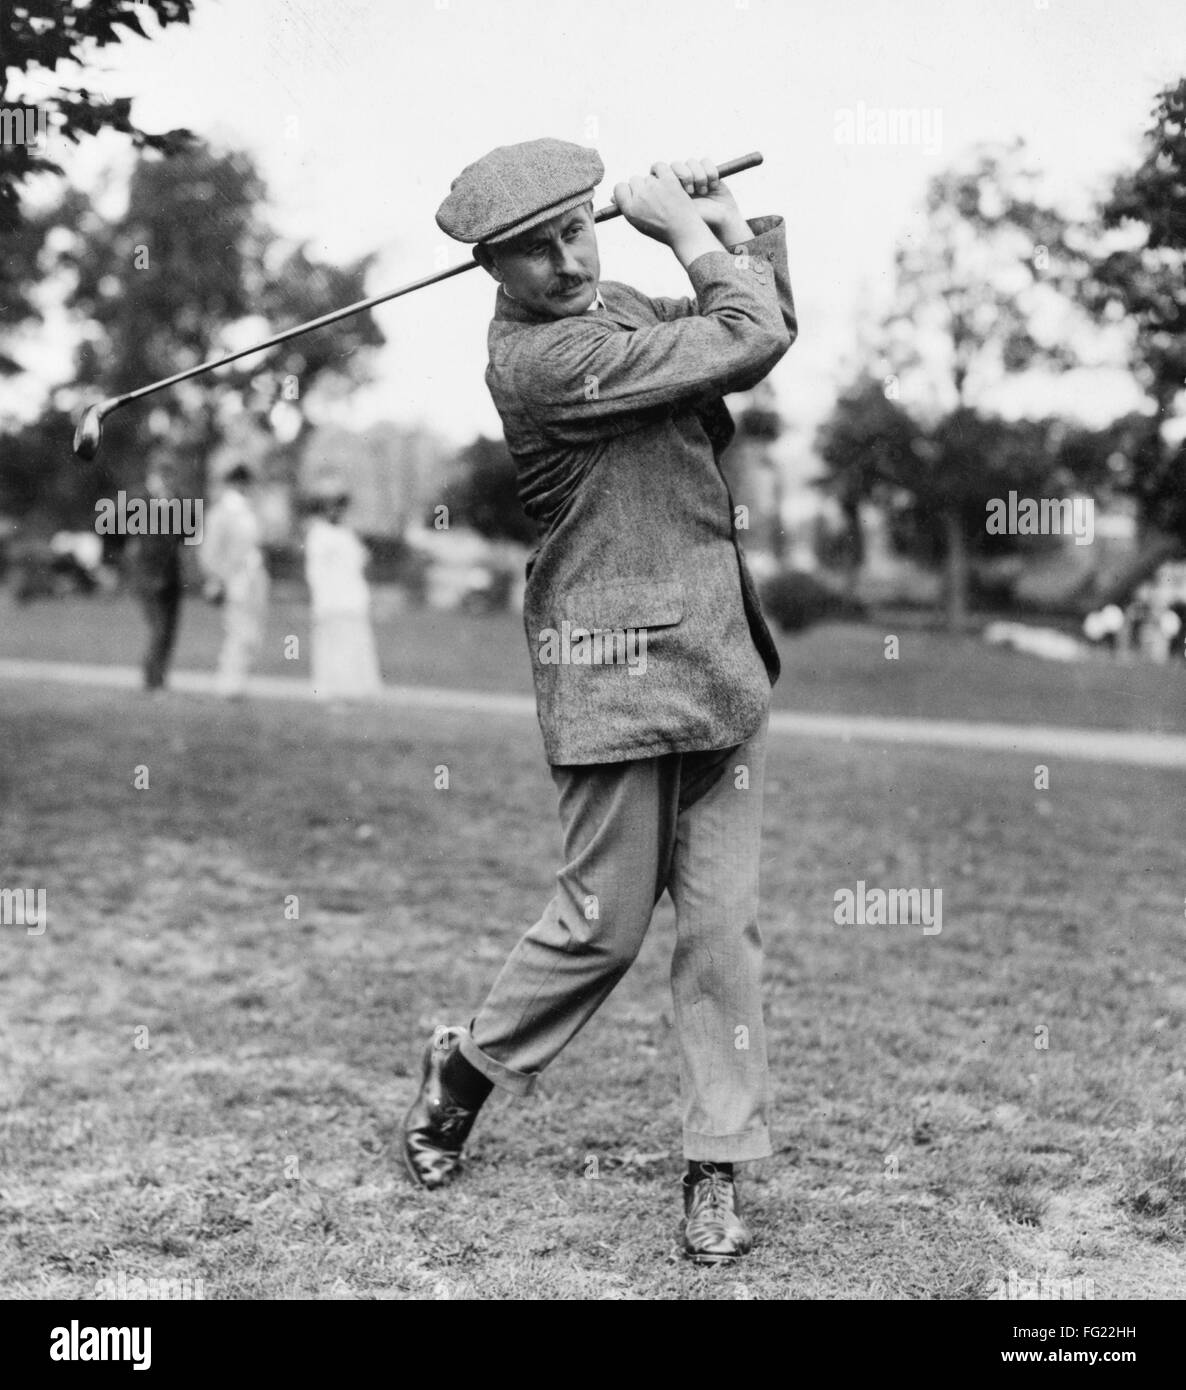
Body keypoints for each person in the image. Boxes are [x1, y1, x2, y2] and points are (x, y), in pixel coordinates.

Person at [401, 138, 797, 1264]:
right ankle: (466, 1069)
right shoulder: (541, 363)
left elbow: (755, 332)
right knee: (600, 928)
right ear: (493, 271)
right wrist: (688, 237)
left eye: (576, 229)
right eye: (533, 253)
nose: (568, 263)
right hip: (613, 671)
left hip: (719, 661)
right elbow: (742, 333)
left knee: (723, 937)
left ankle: (716, 1164)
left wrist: (728, 224)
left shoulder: (616, 300)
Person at [303, 487, 382, 699]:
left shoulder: (347, 534)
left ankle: (356, 689)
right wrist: (322, 599)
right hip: (331, 601)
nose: (336, 512)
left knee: (355, 645)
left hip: (353, 599)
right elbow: (316, 573)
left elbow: (360, 561)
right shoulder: (318, 535)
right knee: (333, 647)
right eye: (331, 507)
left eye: (340, 507)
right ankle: (333, 691)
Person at [199, 463, 269, 699]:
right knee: (239, 633)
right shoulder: (221, 513)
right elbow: (209, 554)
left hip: (253, 579)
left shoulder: (249, 511)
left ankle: (239, 683)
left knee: (252, 635)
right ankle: (228, 684)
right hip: (235, 579)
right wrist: (221, 578)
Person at [128, 462, 185, 692]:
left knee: (169, 631)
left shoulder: (177, 503)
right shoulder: (141, 503)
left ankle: (159, 678)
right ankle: (151, 680)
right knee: (159, 630)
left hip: (171, 576)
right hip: (150, 578)